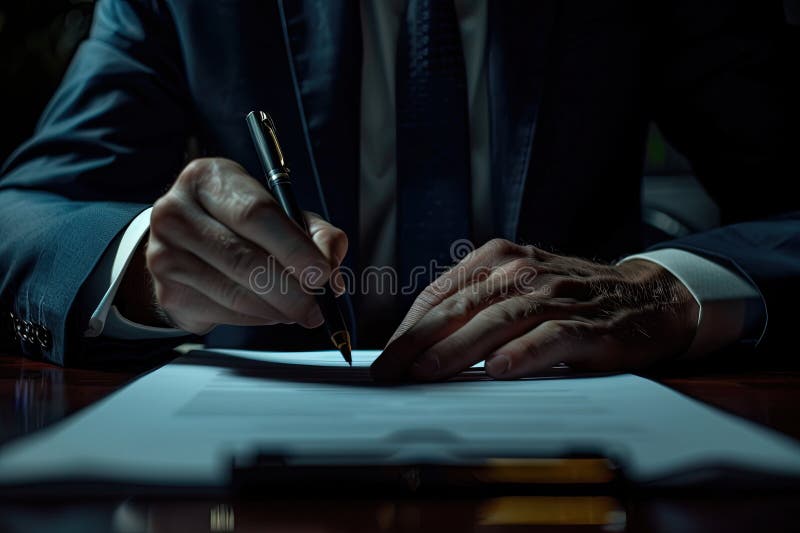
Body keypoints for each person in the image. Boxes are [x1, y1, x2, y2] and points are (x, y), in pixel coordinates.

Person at [1, 0, 797, 381]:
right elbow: (22, 216)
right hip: (259, 477)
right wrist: (140, 264)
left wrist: (670, 290)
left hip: (577, 456)